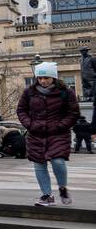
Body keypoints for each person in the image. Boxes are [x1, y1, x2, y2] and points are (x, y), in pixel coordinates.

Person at [16, 61, 80, 206]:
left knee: (58, 161)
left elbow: (73, 112)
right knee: (39, 164)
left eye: (46, 78)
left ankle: (62, 188)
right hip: (36, 132)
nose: (43, 81)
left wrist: (61, 125)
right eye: (40, 78)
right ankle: (47, 195)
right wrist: (29, 124)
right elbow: (21, 110)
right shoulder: (29, 92)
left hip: (57, 133)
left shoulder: (66, 92)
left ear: (53, 78)